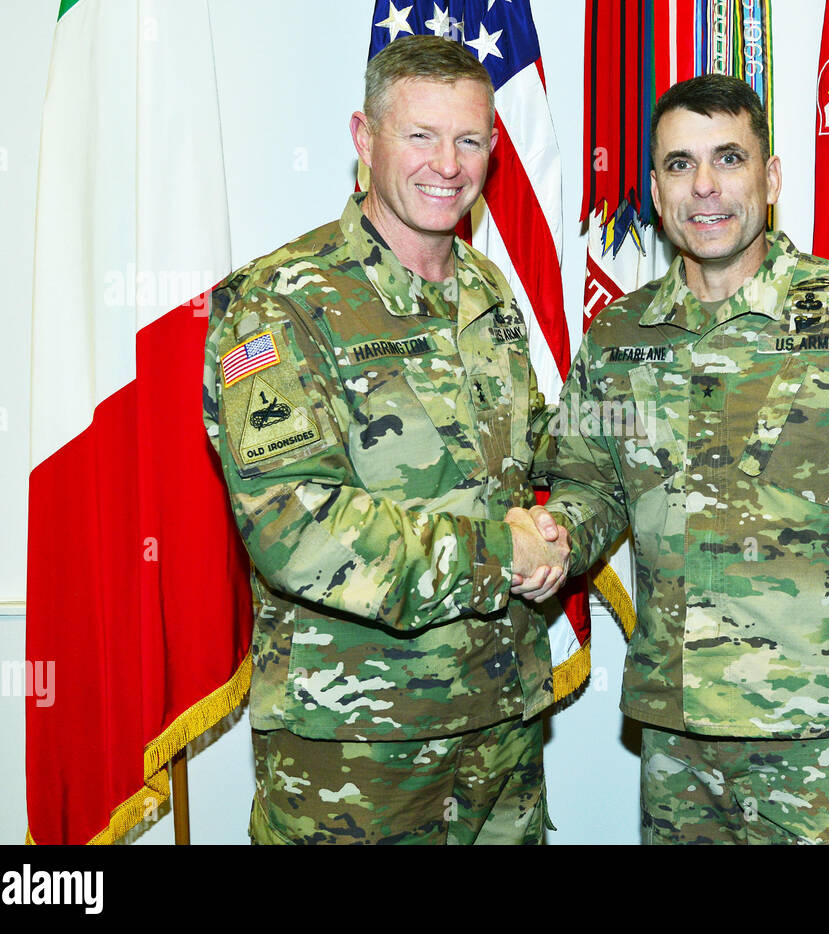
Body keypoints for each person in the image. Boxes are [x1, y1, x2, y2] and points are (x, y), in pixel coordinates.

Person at [540, 74, 829, 844]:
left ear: (772, 177)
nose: (705, 187)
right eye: (680, 165)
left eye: (729, 158)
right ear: (655, 190)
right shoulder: (618, 339)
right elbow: (589, 487)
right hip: (678, 745)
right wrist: (552, 536)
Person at [203, 35, 569, 845]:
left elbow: (525, 446)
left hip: (501, 725)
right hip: (359, 757)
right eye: (420, 135)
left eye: (470, 139)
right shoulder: (278, 304)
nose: (448, 164)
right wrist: (497, 555)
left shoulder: (484, 284)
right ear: (364, 140)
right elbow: (296, 528)